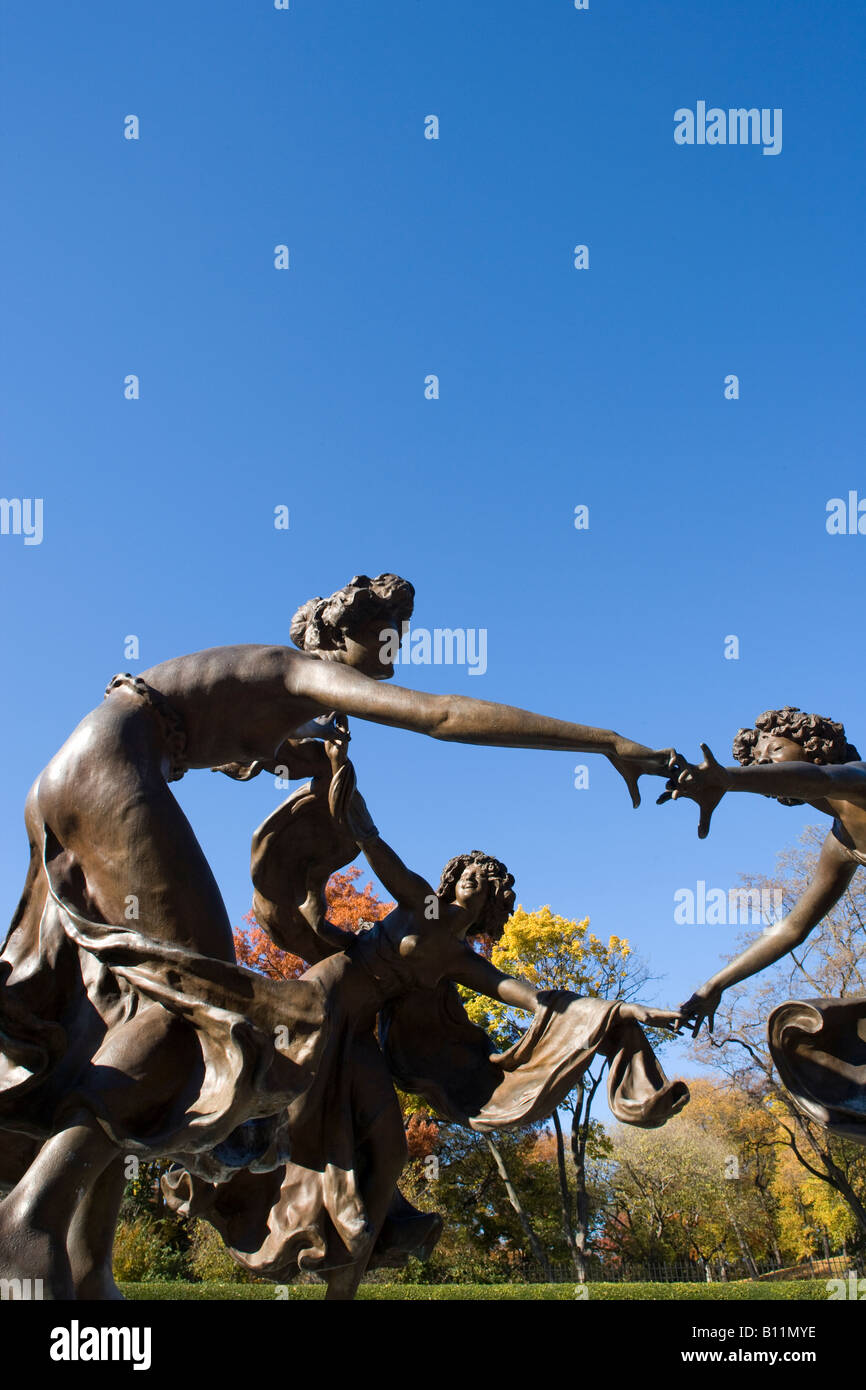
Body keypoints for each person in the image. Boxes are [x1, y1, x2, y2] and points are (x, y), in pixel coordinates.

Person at [0, 572, 676, 1297]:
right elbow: (443, 715)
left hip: (71, 775)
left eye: (403, 635)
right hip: (111, 770)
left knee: (126, 1021)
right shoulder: (298, 670)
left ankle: (86, 1261)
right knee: (203, 1012)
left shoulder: (279, 692)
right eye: (385, 629)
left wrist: (315, 765)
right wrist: (605, 741)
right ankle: (28, 1224)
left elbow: (253, 750)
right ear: (339, 626)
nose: (395, 648)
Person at [164, 731, 688, 1300]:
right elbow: (371, 840)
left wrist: (617, 1010)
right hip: (323, 1001)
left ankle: (349, 1269)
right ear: (450, 879)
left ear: (493, 906)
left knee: (387, 1148)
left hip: (357, 1035)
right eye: (469, 876)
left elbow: (539, 999)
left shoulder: (462, 962)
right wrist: (341, 770)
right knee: (280, 1122)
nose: (473, 887)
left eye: (486, 889)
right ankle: (209, 1159)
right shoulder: (423, 904)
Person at [670, 707, 866, 1142]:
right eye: (756, 761)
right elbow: (791, 928)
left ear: (816, 746)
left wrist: (732, 780)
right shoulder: (840, 844)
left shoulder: (857, 778)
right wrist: (715, 985)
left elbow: (823, 780)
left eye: (775, 749)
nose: (765, 763)